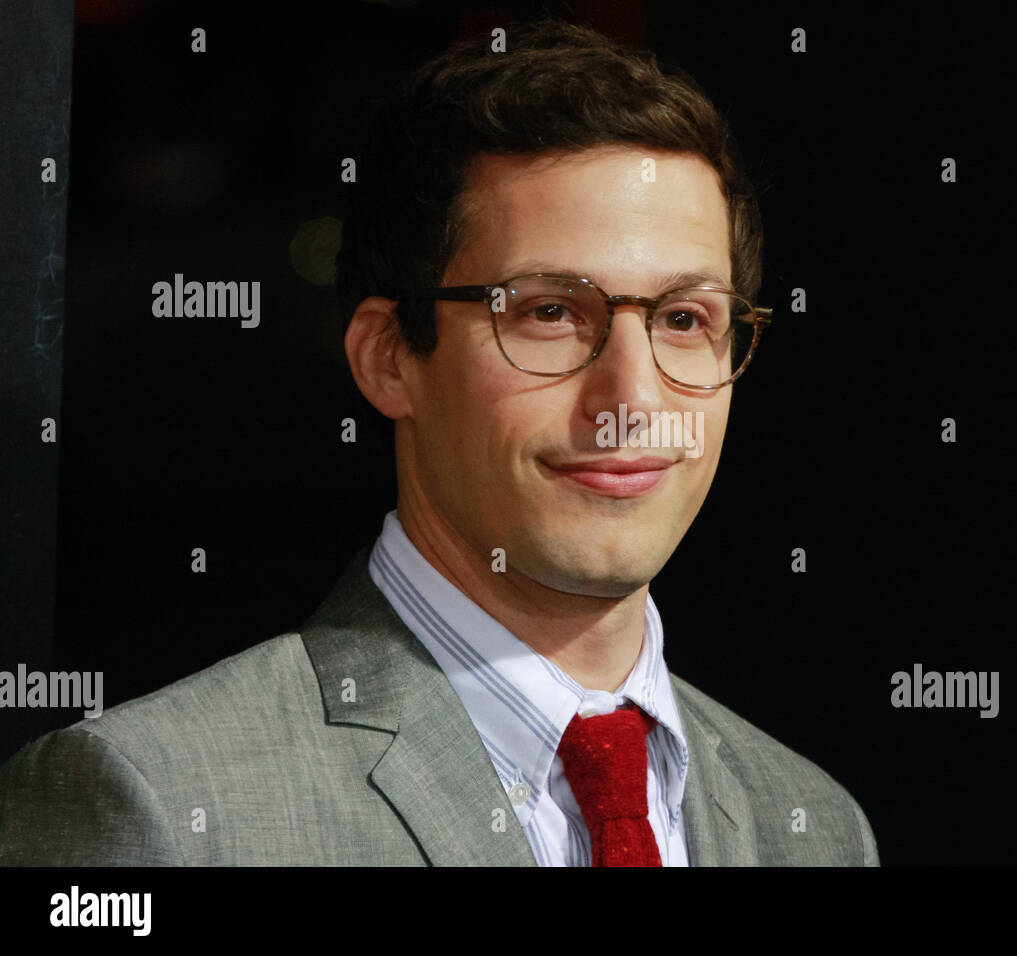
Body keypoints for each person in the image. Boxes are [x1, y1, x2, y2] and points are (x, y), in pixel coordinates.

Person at [0, 19, 879, 866]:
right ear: (389, 359)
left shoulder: (812, 828)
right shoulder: (159, 808)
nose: (633, 399)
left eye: (685, 318)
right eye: (549, 313)